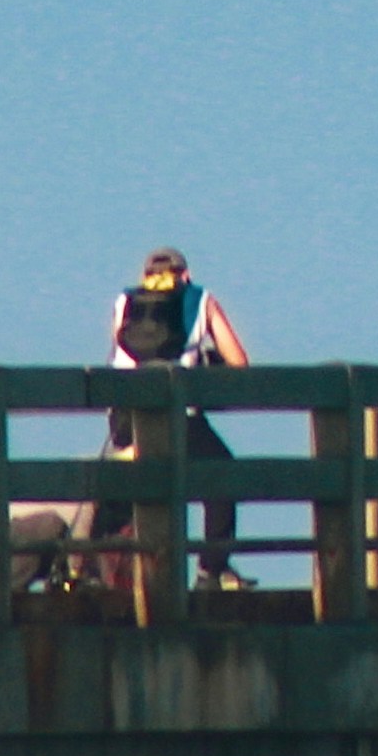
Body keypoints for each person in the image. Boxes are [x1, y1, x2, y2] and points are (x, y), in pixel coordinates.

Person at [101, 245, 250, 586]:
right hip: (178, 417)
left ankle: (99, 570)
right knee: (224, 474)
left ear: (145, 277)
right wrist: (206, 365)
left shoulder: (125, 303)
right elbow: (240, 365)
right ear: (186, 275)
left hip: (126, 419)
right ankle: (211, 571)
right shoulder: (201, 300)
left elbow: (118, 360)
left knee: (129, 482)